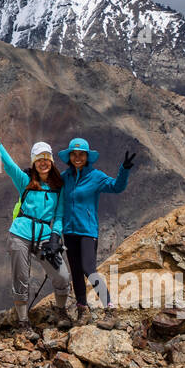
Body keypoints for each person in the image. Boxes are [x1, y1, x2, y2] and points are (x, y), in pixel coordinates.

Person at [0, 126, 71, 328]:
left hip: (45, 237)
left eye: (46, 158)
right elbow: (10, 166)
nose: (43, 162)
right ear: (34, 162)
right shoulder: (24, 181)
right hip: (20, 235)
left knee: (62, 275)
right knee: (21, 278)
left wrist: (55, 238)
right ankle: (23, 321)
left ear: (51, 161)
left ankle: (61, 311)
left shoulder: (58, 188)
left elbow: (58, 216)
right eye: (39, 159)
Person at [48, 137, 136, 324]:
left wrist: (124, 169)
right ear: (69, 156)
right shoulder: (65, 178)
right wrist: (30, 175)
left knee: (89, 269)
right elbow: (49, 185)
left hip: (88, 232)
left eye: (81, 154)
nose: (77, 157)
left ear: (87, 157)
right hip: (69, 231)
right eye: (74, 154)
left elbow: (116, 187)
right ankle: (82, 310)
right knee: (76, 272)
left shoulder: (95, 176)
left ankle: (110, 309)